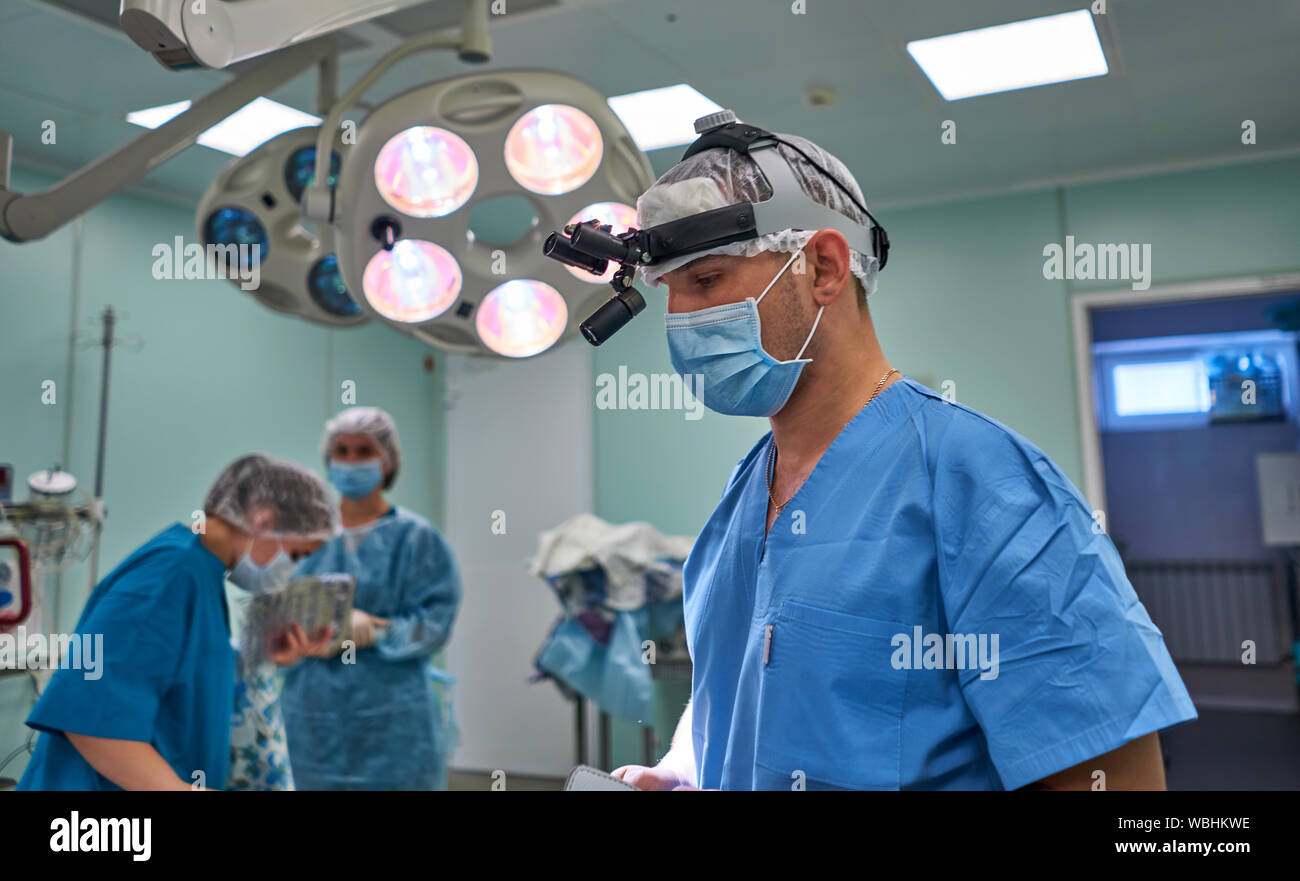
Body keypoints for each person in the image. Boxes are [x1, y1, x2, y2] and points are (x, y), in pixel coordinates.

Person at [611, 130, 1197, 791]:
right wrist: (684, 769)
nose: (680, 317)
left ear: (824, 268)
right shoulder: (744, 493)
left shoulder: (987, 488)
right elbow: (752, 685)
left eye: (707, 279)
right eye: (668, 290)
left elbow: (1110, 779)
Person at [18, 454, 338, 791]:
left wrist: (261, 658)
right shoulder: (168, 575)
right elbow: (90, 717)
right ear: (262, 520)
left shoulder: (201, 572)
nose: (293, 571)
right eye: (298, 555)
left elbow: (179, 684)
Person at [279, 406, 462, 790]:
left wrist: (376, 628)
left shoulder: (416, 538)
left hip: (394, 722)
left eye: (364, 451)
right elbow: (275, 610)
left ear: (388, 461)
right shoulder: (304, 537)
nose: (350, 461)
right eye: (341, 451)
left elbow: (435, 621)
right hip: (312, 720)